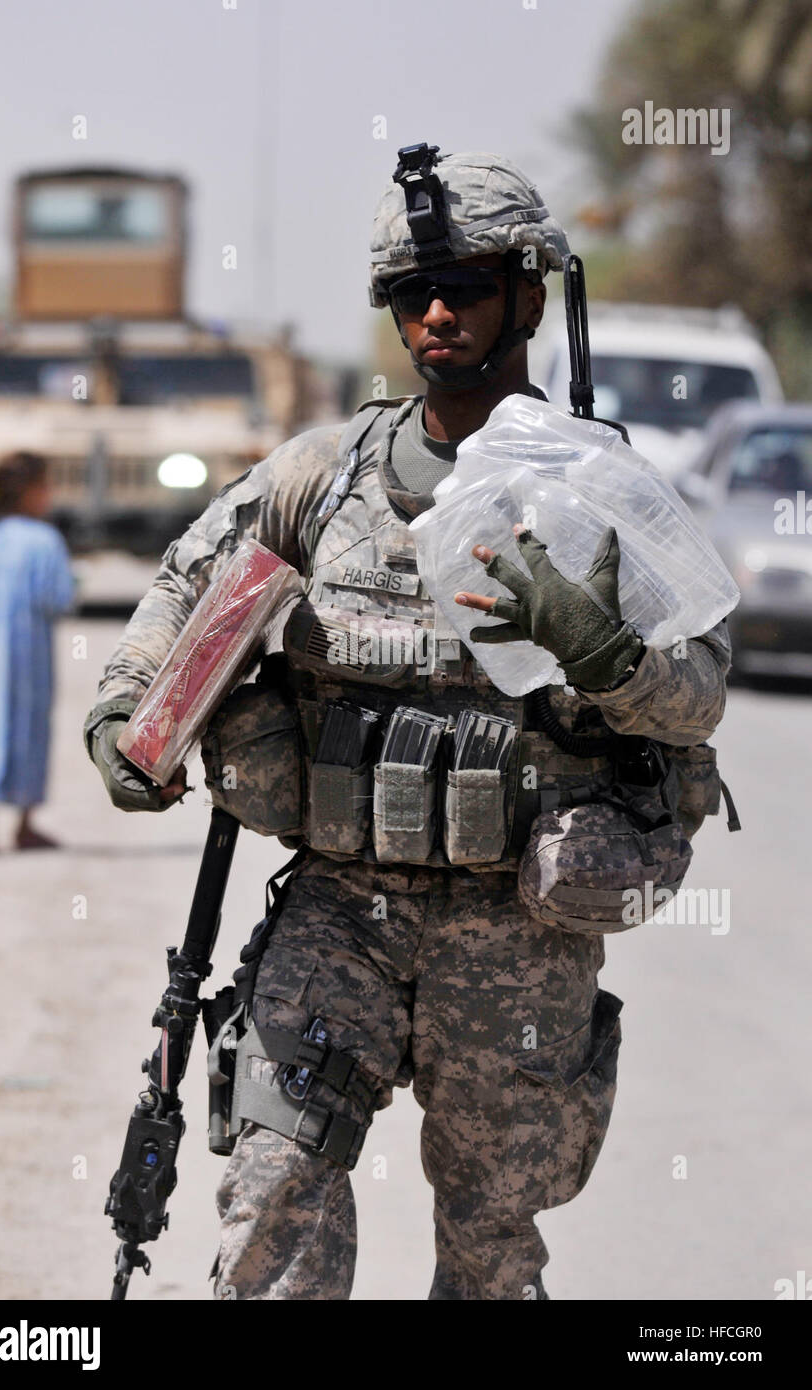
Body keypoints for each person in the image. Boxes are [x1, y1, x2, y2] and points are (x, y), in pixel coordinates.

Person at [85, 145, 730, 1300]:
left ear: (528, 296)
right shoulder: (321, 477)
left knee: (489, 1252)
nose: (434, 312)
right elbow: (182, 599)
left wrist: (596, 644)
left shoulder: (598, 491)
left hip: (517, 933)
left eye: (465, 286)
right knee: (273, 1188)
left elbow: (696, 697)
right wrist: (126, 721)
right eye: (407, 293)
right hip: (340, 908)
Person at [0, 450, 75, 851]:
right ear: (33, 492)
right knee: (28, 728)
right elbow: (58, 597)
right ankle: (24, 823)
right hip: (29, 658)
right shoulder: (45, 540)